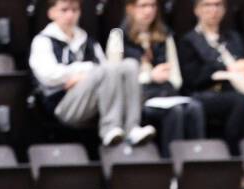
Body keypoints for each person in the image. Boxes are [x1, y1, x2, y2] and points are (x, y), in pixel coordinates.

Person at [30, 0, 155, 147]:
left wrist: (83, 77)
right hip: (63, 104)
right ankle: (109, 127)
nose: (70, 15)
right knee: (107, 69)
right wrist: (86, 71)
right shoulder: (43, 41)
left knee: (130, 65)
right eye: (64, 10)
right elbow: (48, 75)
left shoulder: (88, 41)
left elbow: (108, 72)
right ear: (51, 13)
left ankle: (132, 127)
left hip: (94, 101)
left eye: (74, 10)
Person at [178, 0, 244, 152]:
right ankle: (237, 158)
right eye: (207, 5)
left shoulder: (233, 37)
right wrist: (227, 68)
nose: (213, 10)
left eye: (218, 5)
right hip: (211, 91)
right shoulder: (189, 41)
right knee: (241, 101)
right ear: (197, 10)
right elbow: (192, 78)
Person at [106, 0, 205, 157]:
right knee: (176, 112)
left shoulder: (165, 34)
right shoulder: (117, 35)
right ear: (130, 8)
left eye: (152, 6)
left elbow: (176, 76)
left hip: (164, 92)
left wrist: (167, 80)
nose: (149, 10)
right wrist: (149, 76)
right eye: (143, 6)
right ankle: (172, 166)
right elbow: (113, 76)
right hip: (137, 96)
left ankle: (199, 163)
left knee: (195, 108)